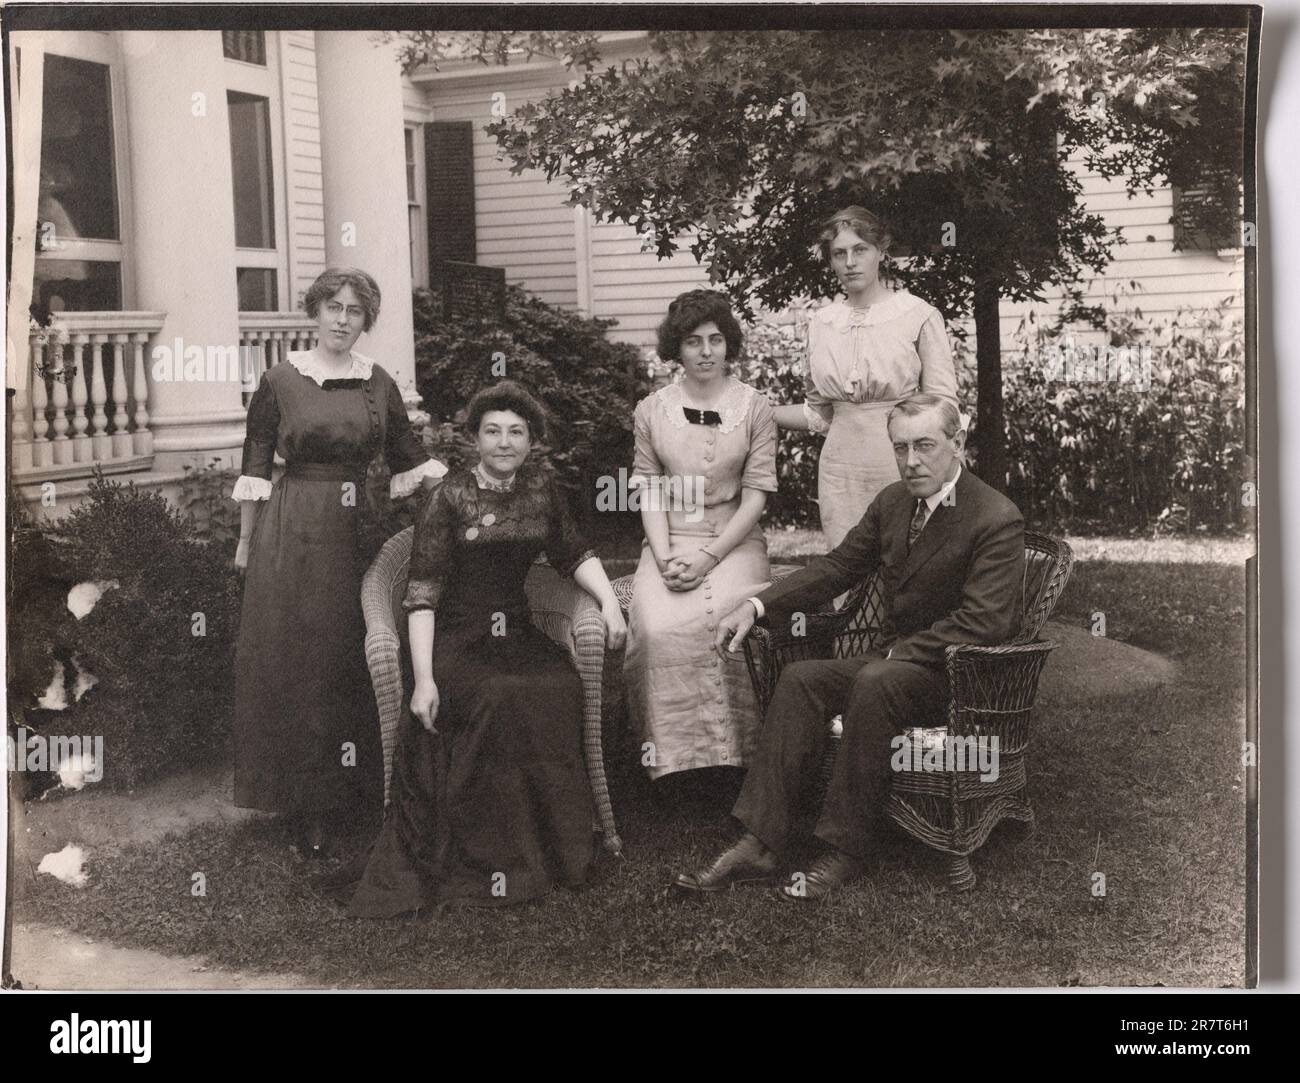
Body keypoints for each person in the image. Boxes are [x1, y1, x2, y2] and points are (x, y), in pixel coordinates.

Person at [674, 393, 1024, 901]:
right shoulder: (894, 502)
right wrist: (756, 606)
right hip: (890, 666)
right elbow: (838, 568)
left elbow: (985, 622)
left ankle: (846, 847)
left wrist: (896, 655)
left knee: (875, 679)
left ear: (958, 442)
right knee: (803, 678)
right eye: (900, 448)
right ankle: (760, 841)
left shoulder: (994, 516)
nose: (911, 461)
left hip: (960, 679)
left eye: (925, 446)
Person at [343, 381, 627, 915]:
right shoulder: (448, 497)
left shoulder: (542, 491)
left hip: (515, 631)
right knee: (497, 693)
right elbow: (421, 593)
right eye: (492, 431)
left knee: (556, 684)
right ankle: (493, 856)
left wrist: (610, 605)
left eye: (516, 432)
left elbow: (574, 553)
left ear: (531, 441)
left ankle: (555, 851)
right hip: (454, 637)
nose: (504, 442)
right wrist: (424, 680)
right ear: (474, 439)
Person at [232, 267, 447, 856]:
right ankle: (306, 804)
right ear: (316, 311)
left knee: (354, 651)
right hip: (294, 529)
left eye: (355, 311)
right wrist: (246, 544)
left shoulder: (378, 381)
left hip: (360, 528)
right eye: (334, 307)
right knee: (301, 659)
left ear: (365, 321)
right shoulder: (279, 380)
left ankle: (361, 789)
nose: (343, 319)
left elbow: (412, 459)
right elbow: (255, 466)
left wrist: (467, 510)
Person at [623, 291, 778, 779]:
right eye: (693, 341)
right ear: (677, 348)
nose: (706, 351)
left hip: (735, 539)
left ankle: (744, 760)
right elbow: (649, 490)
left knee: (734, 620)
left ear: (728, 344)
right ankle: (670, 763)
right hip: (670, 535)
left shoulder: (755, 408)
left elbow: (755, 499)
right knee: (655, 628)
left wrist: (709, 557)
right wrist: (664, 558)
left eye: (715, 340)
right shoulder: (652, 410)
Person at [771, 206, 960, 547]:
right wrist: (757, 410)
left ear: (881, 251)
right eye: (839, 253)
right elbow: (818, 414)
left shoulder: (917, 315)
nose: (850, 262)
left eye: (860, 250)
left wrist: (938, 471)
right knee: (846, 563)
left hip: (903, 461)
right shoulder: (821, 324)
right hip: (839, 471)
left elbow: (944, 406)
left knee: (906, 560)